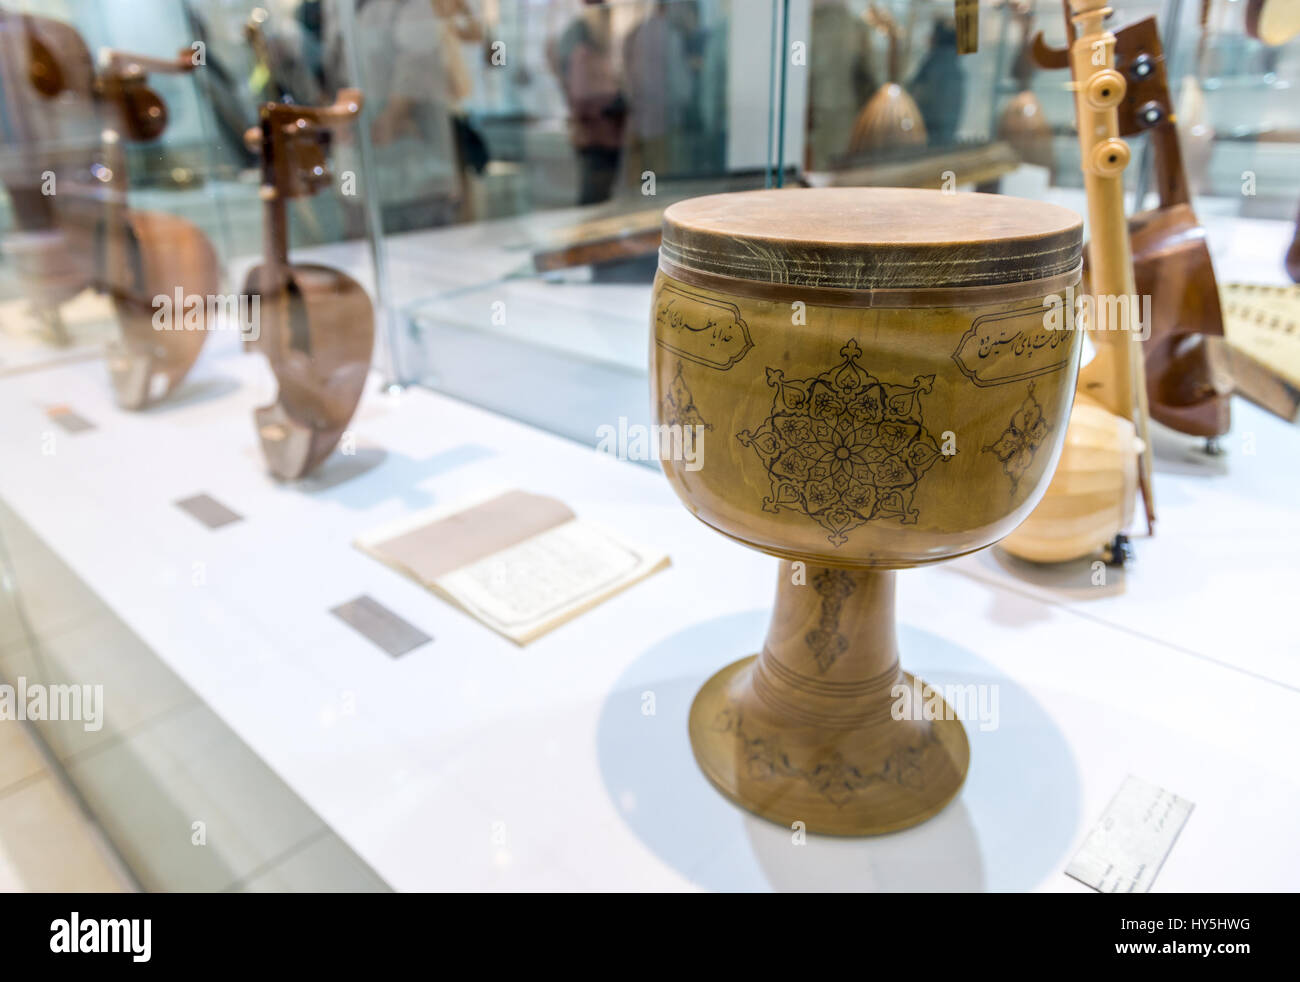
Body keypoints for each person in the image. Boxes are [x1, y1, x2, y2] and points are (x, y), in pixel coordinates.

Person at [552, 0, 625, 205]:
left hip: (608, 136)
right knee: (593, 194)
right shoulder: (583, 53)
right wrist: (610, 104)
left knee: (603, 192)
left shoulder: (600, 53)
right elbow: (582, 97)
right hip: (595, 137)